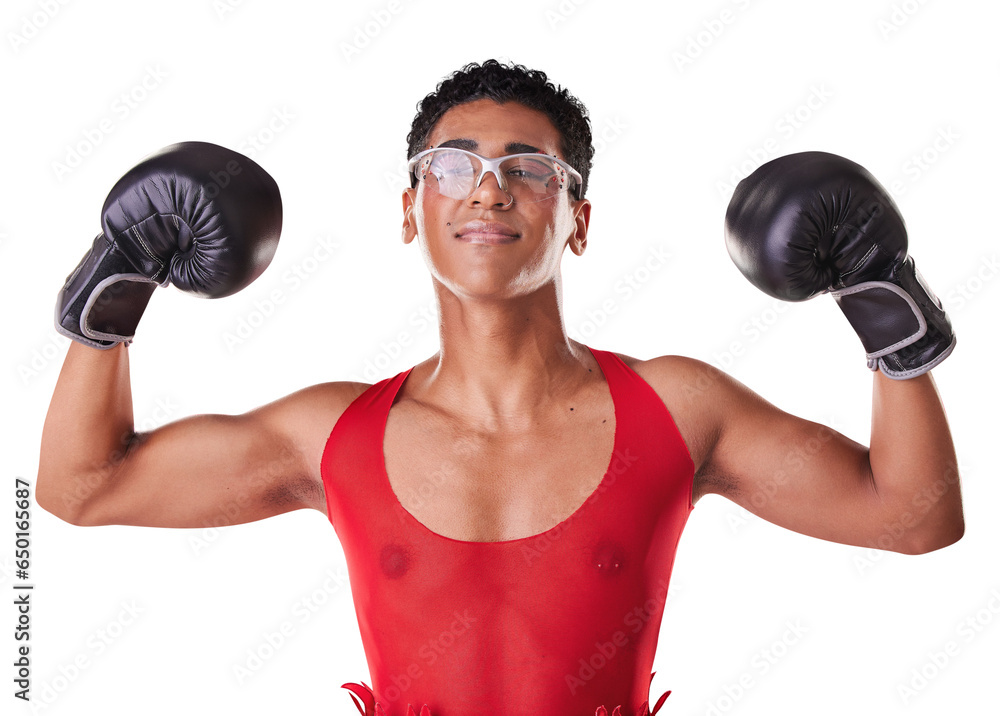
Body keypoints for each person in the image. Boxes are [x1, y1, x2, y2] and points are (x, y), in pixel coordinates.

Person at [37, 60, 965, 716]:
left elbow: (913, 515)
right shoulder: (331, 434)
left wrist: (884, 305)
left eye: (527, 168)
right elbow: (83, 486)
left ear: (579, 218)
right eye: (453, 167)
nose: (488, 191)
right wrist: (116, 284)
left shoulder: (680, 410)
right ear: (412, 210)